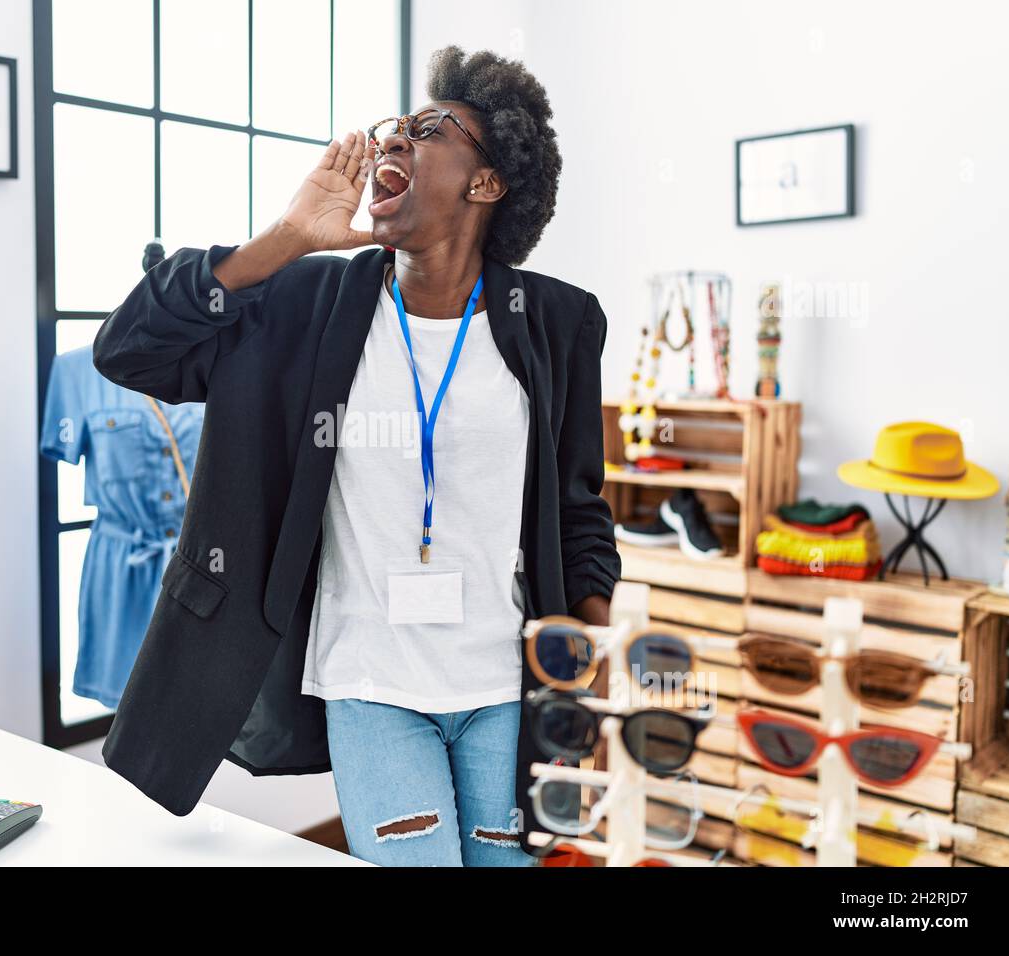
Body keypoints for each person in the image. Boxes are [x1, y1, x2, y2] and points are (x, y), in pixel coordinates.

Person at [92, 46, 619, 866]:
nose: (391, 144)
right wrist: (288, 238)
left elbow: (580, 505)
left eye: (428, 131)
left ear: (485, 185)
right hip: (372, 684)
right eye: (391, 132)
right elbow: (129, 351)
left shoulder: (556, 322)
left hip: (507, 686)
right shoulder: (307, 302)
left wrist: (596, 654)